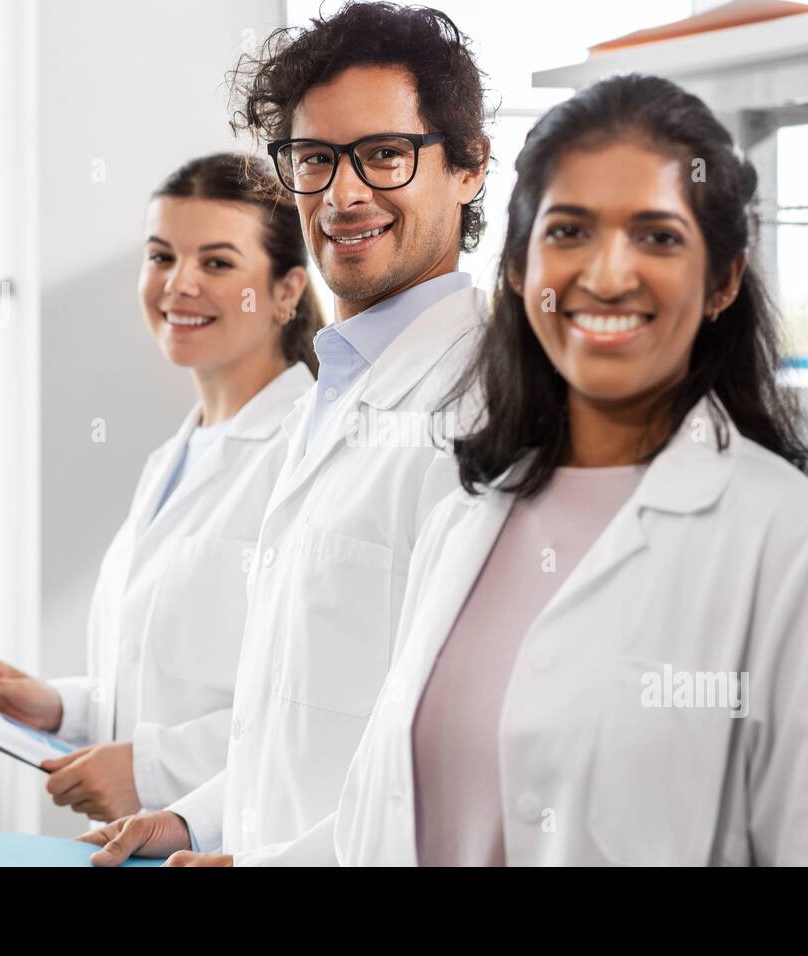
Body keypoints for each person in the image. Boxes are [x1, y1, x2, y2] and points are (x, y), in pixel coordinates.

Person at [334, 73, 808, 865]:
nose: (608, 276)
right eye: (569, 231)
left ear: (722, 281)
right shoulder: (459, 522)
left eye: (658, 237)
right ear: (519, 269)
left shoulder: (797, 549)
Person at [79, 2, 491, 865]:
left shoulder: (485, 407)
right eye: (314, 159)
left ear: (468, 167)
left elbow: (459, 761)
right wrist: (198, 820)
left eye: (385, 154)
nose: (343, 194)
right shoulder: (333, 394)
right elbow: (293, 721)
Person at [0, 153, 322, 822]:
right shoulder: (174, 458)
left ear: (286, 290)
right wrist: (59, 707)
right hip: (147, 843)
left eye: (217, 263)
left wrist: (150, 772)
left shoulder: (307, 454)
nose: (179, 284)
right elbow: (164, 680)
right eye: (161, 257)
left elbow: (318, 711)